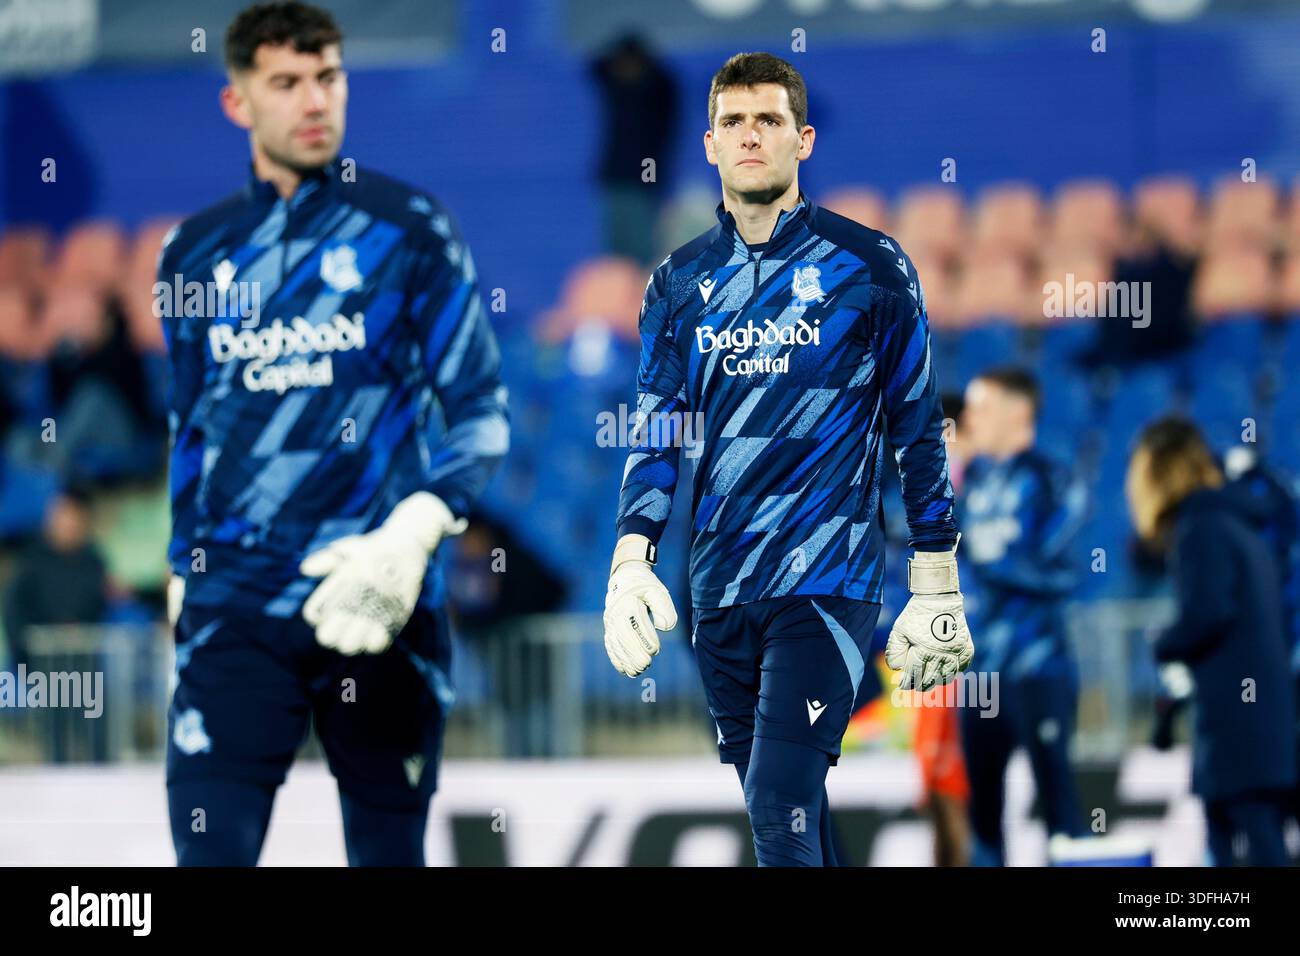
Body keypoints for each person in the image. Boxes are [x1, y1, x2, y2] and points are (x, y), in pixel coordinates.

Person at [601, 52, 973, 866]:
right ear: (707, 143)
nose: (750, 135)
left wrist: (935, 577)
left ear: (802, 139)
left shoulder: (870, 267)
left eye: (768, 120)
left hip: (827, 586)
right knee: (795, 817)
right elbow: (657, 429)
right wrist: (632, 561)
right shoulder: (676, 283)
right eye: (733, 122)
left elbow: (918, 429)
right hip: (719, 597)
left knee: (778, 804)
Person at [158, 2, 508, 866]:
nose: (314, 100)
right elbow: (190, 427)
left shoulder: (409, 229)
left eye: (329, 77)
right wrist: (178, 567)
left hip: (377, 598)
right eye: (286, 82)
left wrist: (415, 530)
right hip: (235, 609)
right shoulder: (193, 253)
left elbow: (481, 409)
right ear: (238, 102)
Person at [1126, 417, 1296, 866]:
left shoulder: (1200, 528)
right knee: (1262, 842)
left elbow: (1209, 613)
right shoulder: (1240, 523)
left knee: (1248, 847)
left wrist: (1163, 641)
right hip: (1264, 725)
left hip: (1236, 730)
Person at [957, 368, 1088, 866]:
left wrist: (1000, 562)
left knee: (1061, 811)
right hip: (979, 673)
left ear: (1018, 412)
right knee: (984, 820)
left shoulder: (1055, 480)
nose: (970, 419)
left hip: (1038, 668)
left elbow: (1071, 575)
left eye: (982, 407)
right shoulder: (973, 484)